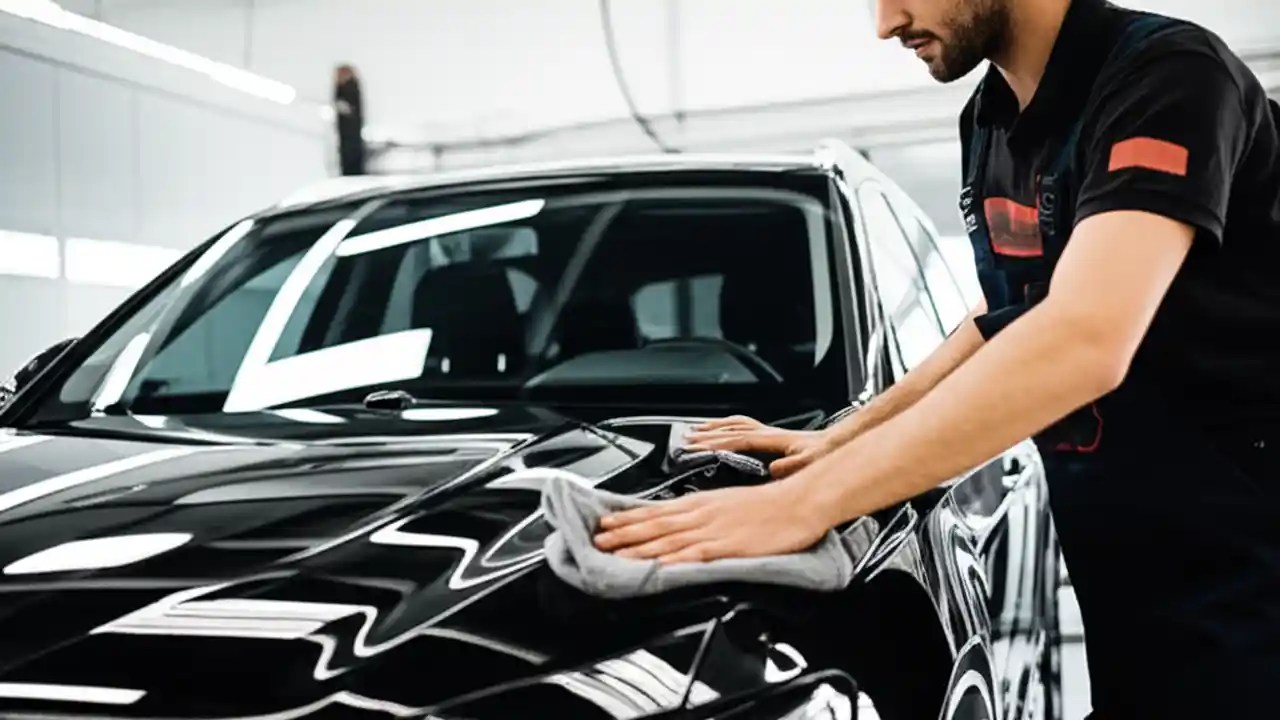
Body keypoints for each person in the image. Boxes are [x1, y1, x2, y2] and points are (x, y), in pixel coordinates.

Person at [593, 0, 1280, 715]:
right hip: (1139, 610)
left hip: (1251, 597)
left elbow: (1084, 337)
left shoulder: (1168, 76)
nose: (886, 23)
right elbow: (1010, 315)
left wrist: (802, 504)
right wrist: (839, 437)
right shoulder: (988, 120)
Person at [333, 64, 366, 175]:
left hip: (351, 128)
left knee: (352, 152)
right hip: (344, 128)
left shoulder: (351, 87)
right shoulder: (341, 87)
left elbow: (354, 108)